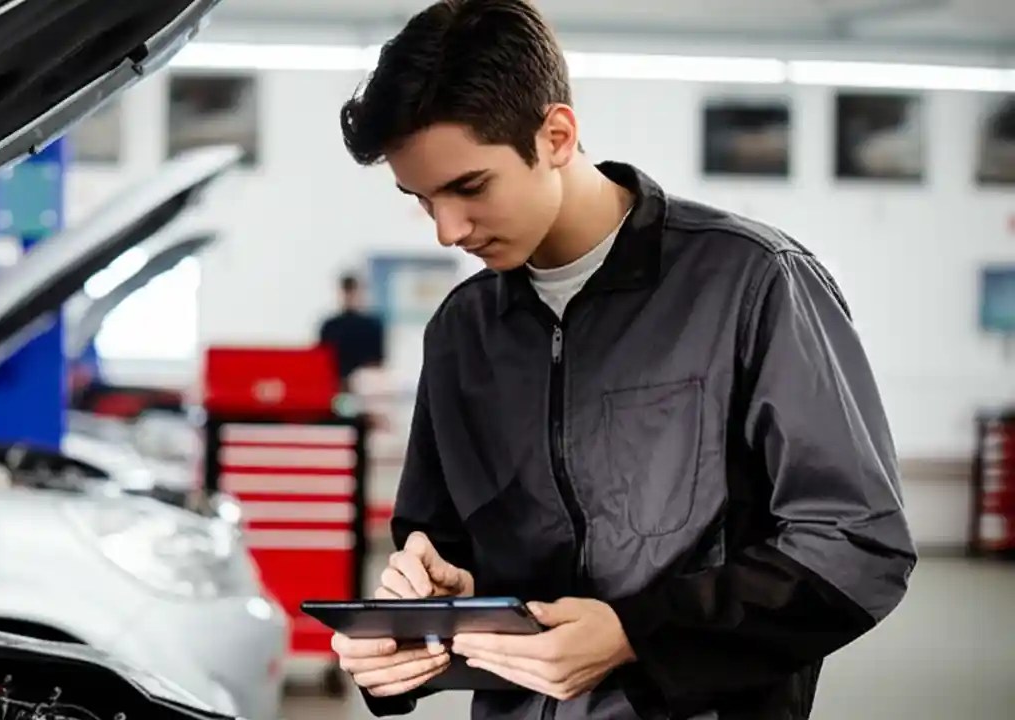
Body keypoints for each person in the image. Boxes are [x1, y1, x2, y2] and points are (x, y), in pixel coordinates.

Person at [330, 1, 918, 718]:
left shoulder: (754, 284)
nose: (448, 231)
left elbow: (859, 545)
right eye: (421, 200)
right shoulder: (461, 332)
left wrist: (638, 634)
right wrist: (410, 631)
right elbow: (445, 550)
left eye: (470, 187)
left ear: (556, 134)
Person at [318, 273, 386, 389]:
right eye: (347, 291)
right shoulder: (330, 326)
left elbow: (377, 362)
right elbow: (322, 360)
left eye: (352, 290)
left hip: (366, 386)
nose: (349, 295)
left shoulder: (372, 325)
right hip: (335, 385)